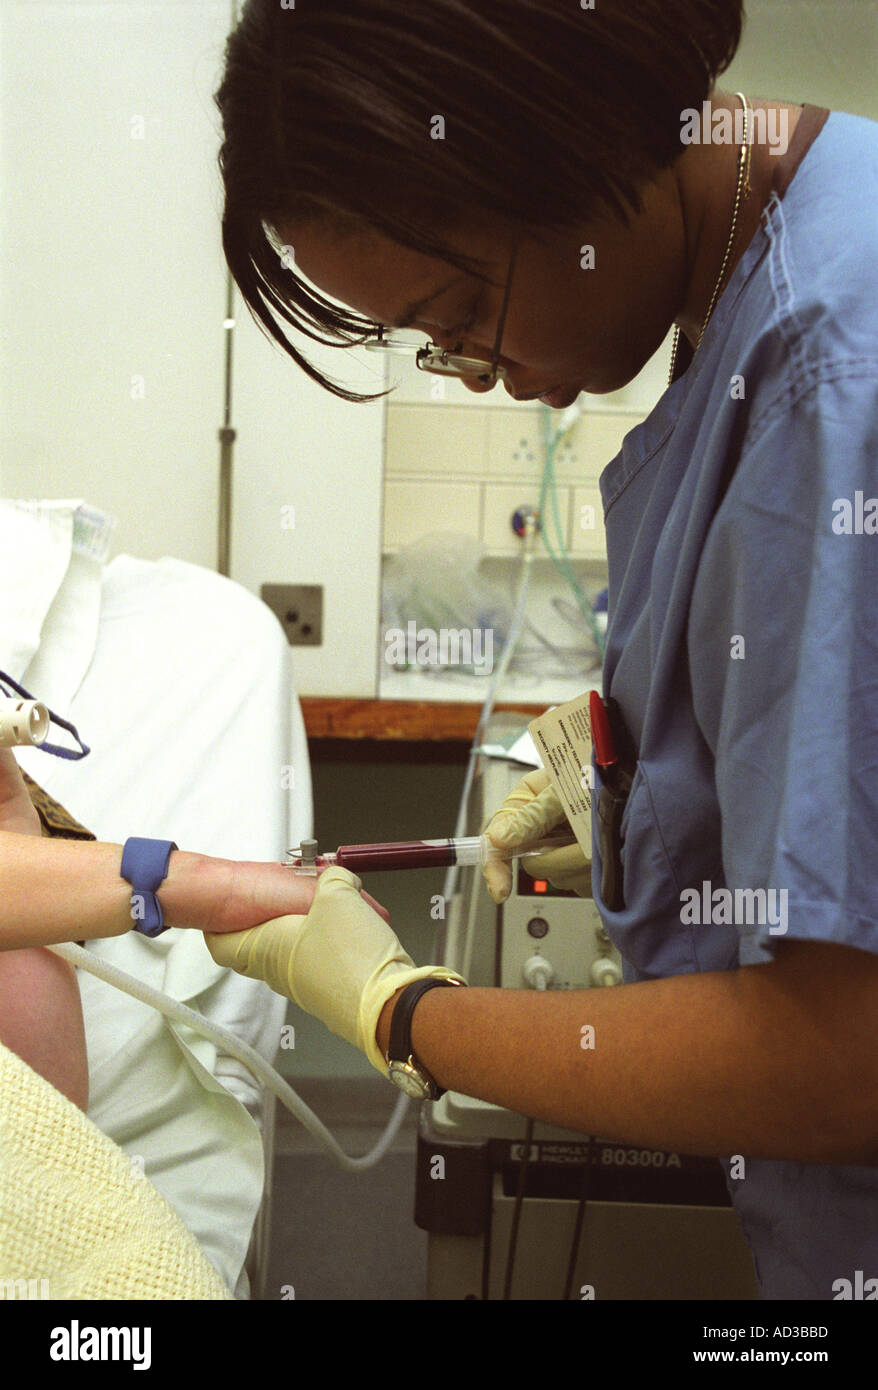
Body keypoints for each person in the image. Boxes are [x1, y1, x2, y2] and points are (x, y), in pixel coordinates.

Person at [209, 0, 878, 1299]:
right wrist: (655, 809)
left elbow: (837, 1056)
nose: (462, 370)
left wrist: (402, 1010)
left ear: (570, 144)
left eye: (456, 309)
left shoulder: (830, 384)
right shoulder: (786, 250)